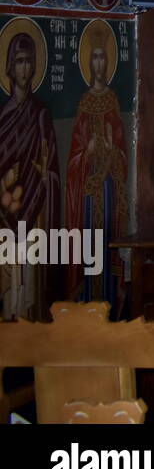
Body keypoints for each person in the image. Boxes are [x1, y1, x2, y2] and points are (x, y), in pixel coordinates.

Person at [0, 30, 61, 320]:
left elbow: (50, 168)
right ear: (10, 67)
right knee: (10, 287)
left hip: (34, 211)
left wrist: (43, 181)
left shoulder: (41, 114)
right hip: (5, 212)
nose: (24, 68)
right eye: (19, 61)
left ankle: (33, 346)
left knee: (31, 289)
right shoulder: (3, 117)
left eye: (29, 62)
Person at [65, 24, 128, 303]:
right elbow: (73, 158)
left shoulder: (113, 102)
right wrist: (87, 152)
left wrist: (114, 152)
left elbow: (123, 152)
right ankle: (88, 302)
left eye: (103, 57)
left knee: (108, 242)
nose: (100, 63)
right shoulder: (83, 103)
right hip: (89, 194)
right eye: (95, 57)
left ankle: (111, 304)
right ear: (89, 62)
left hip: (110, 191)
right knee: (90, 244)